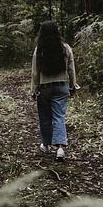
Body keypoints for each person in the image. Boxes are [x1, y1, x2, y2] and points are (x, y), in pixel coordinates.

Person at [31, 20, 78, 161]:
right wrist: (73, 85)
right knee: (59, 117)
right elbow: (71, 68)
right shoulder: (65, 48)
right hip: (61, 86)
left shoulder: (39, 49)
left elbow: (35, 73)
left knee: (45, 117)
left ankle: (46, 145)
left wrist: (34, 89)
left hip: (44, 87)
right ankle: (60, 149)